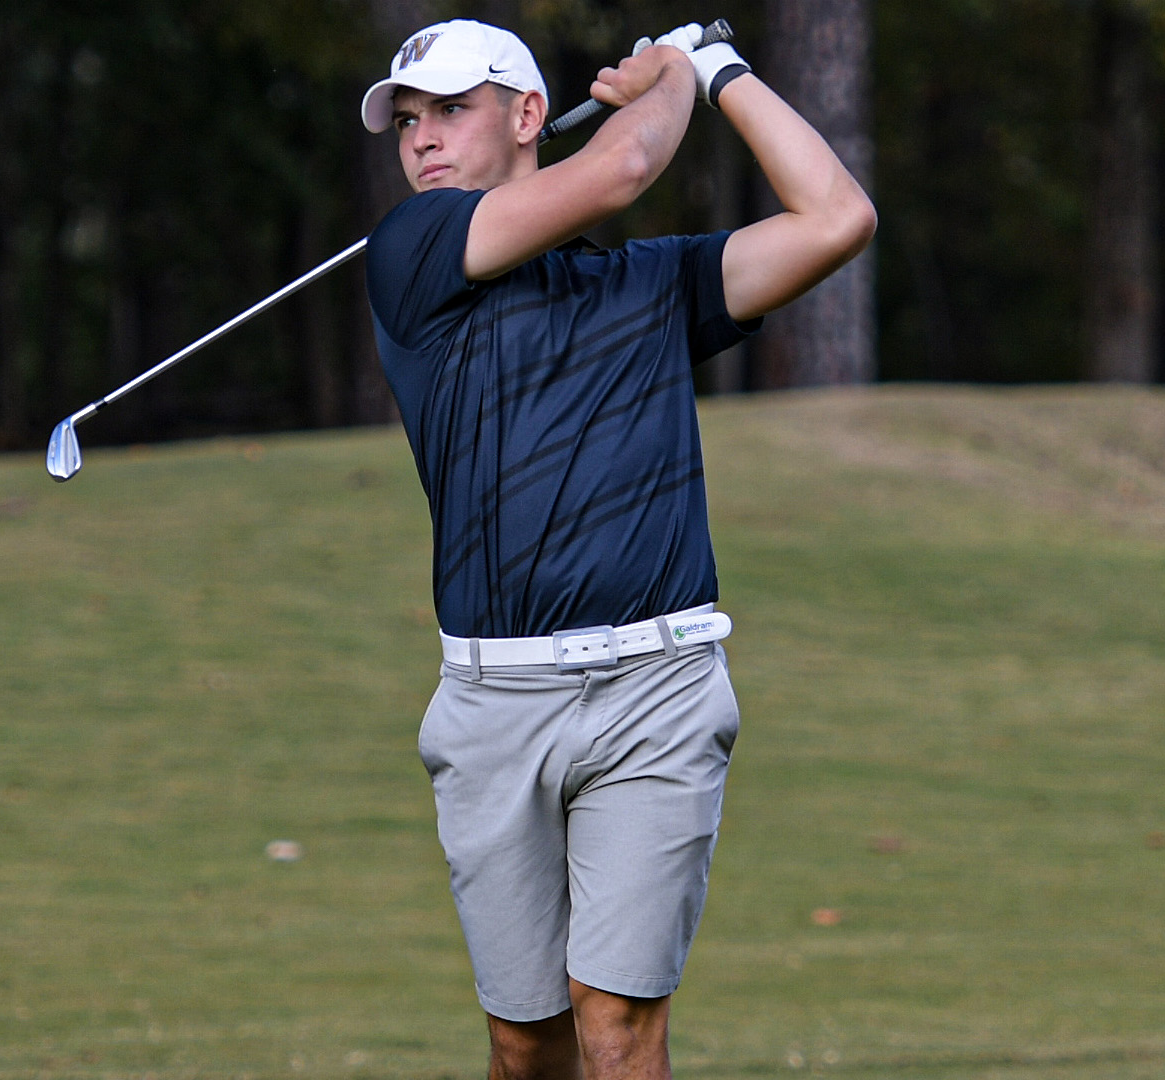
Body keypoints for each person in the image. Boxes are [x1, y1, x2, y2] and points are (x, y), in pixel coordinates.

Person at [359, 18, 874, 1080]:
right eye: (407, 120)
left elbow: (837, 217)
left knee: (619, 1029)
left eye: (452, 109)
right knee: (525, 1043)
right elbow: (626, 163)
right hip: (494, 704)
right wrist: (673, 71)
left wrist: (722, 71)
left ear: (528, 115)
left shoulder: (653, 285)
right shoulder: (412, 260)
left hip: (658, 689)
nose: (422, 139)